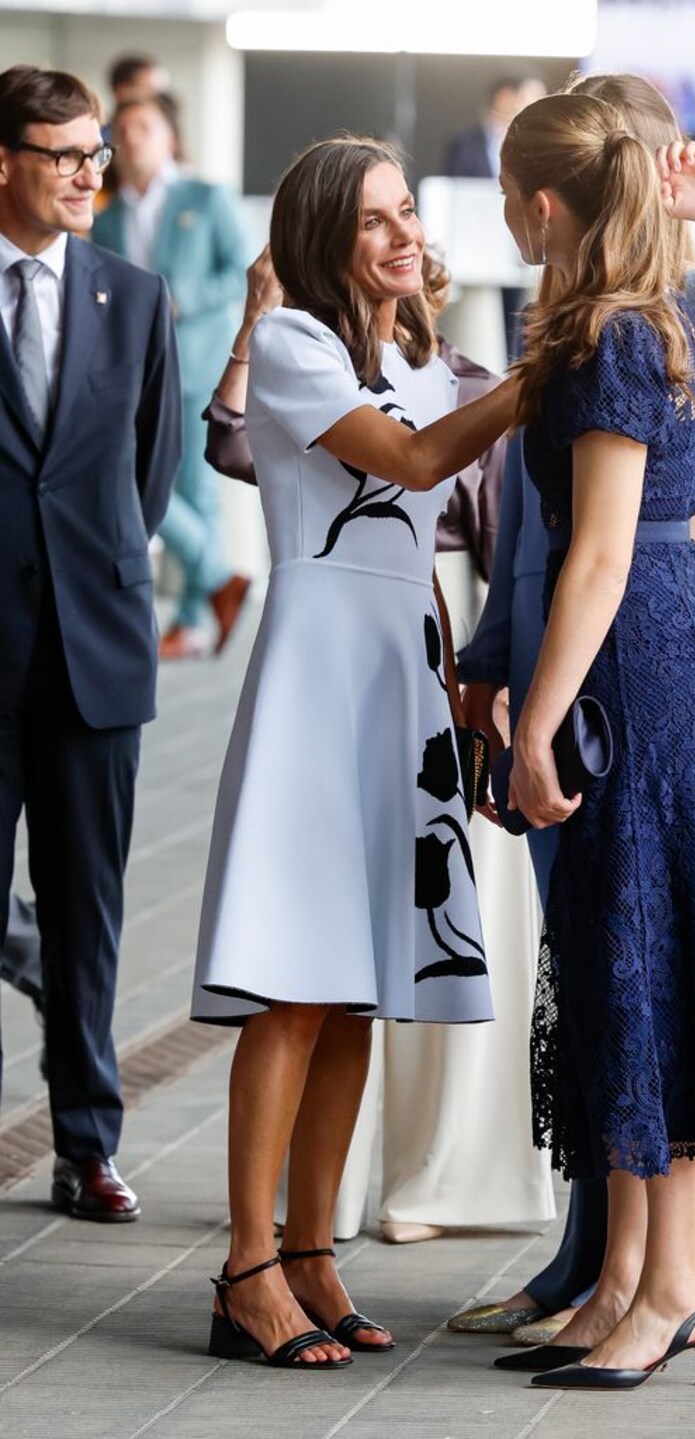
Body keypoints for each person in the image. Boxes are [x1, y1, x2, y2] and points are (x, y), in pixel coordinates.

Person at [451, 71, 695, 1346]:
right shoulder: (628, 326)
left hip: (628, 665)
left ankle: (670, 1283)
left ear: (548, 201)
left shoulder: (636, 328)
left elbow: (608, 554)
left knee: (656, 966)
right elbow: (661, 540)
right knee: (626, 970)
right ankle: (619, 1273)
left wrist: (534, 719)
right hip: (638, 656)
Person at [188, 136, 517, 1368]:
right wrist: (539, 378)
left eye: (409, 215)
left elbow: (464, 480)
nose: (403, 236)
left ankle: (315, 1251)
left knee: (363, 986)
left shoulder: (417, 352)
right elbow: (421, 462)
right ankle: (245, 1265)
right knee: (293, 983)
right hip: (321, 667)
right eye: (376, 219)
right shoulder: (293, 347)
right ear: (328, 233)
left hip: (402, 671)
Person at [0, 65, 181, 1215]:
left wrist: (93, 577)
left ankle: (86, 1142)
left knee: (89, 911)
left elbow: (149, 474)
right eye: (62, 154)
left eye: (95, 154)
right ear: (4, 162)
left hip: (93, 648)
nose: (86, 174)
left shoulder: (135, 293)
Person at [93, 92, 250, 660]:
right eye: (123, 127)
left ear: (169, 137)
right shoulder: (105, 215)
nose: (130, 137)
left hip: (197, 366)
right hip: (131, 371)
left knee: (192, 489)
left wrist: (182, 297)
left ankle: (189, 620)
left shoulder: (205, 198)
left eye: (143, 126)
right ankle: (217, 581)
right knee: (142, 483)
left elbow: (243, 269)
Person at [443, 73, 546, 360]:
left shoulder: (537, 149)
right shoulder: (463, 144)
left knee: (516, 317)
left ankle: (513, 368)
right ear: (505, 98)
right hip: (474, 255)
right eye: (531, 97)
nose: (537, 105)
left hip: (519, 250)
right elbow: (455, 193)